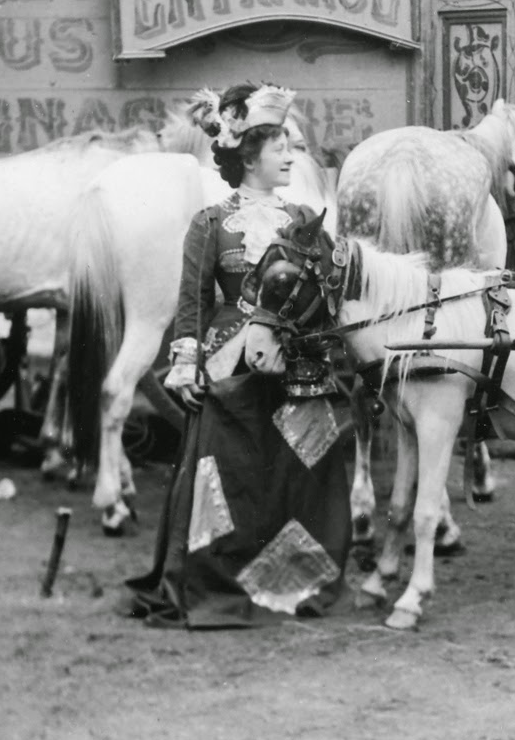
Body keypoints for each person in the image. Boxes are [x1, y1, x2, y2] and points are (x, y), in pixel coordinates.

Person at [128, 82, 351, 628]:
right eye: (282, 147)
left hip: (295, 365)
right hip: (229, 369)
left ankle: (291, 579)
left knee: (299, 475)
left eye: (292, 147)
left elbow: (326, 296)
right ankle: (221, 581)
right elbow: (193, 302)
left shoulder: (304, 218)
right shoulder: (210, 222)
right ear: (249, 154)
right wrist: (185, 363)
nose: (292, 156)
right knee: (230, 479)